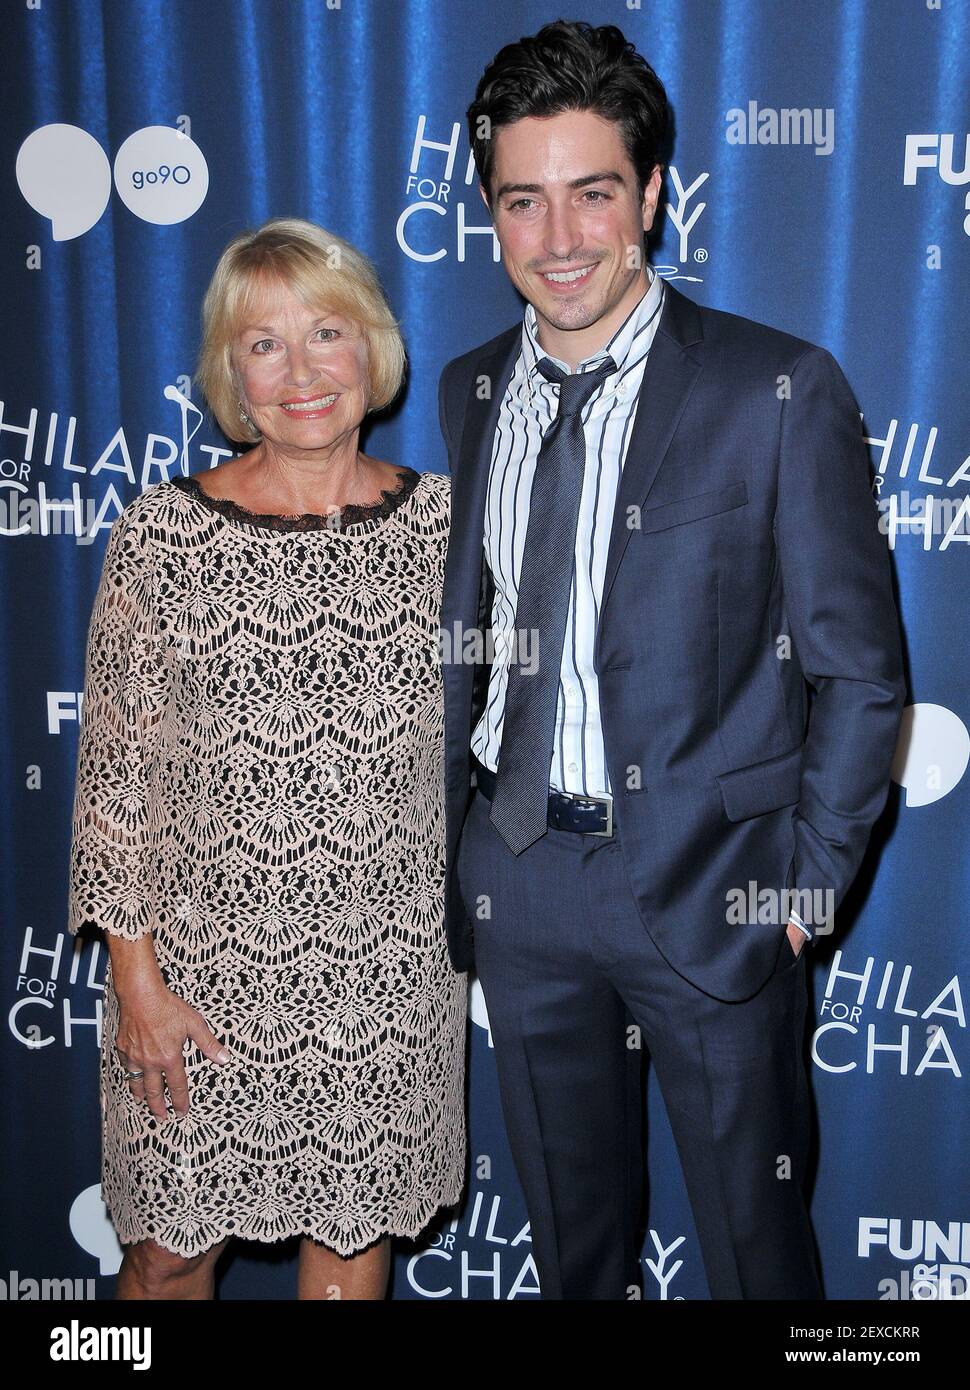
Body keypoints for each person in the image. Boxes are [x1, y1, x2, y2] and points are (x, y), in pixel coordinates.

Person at [438, 21, 905, 1299]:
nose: (561, 237)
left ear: (651, 193)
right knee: (573, 1255)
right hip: (521, 883)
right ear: (490, 213)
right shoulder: (470, 391)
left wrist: (803, 892)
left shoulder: (779, 389)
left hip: (716, 889)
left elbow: (860, 673)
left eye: (593, 192)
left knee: (759, 1260)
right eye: (522, 202)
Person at [68, 217, 465, 1300]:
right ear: (231, 374)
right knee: (166, 1252)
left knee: (349, 1247)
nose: (301, 372)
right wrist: (134, 975)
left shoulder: (447, 527)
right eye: (264, 344)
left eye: (327, 332)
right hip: (198, 972)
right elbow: (117, 778)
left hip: (383, 970)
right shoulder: (162, 534)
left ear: (371, 351)